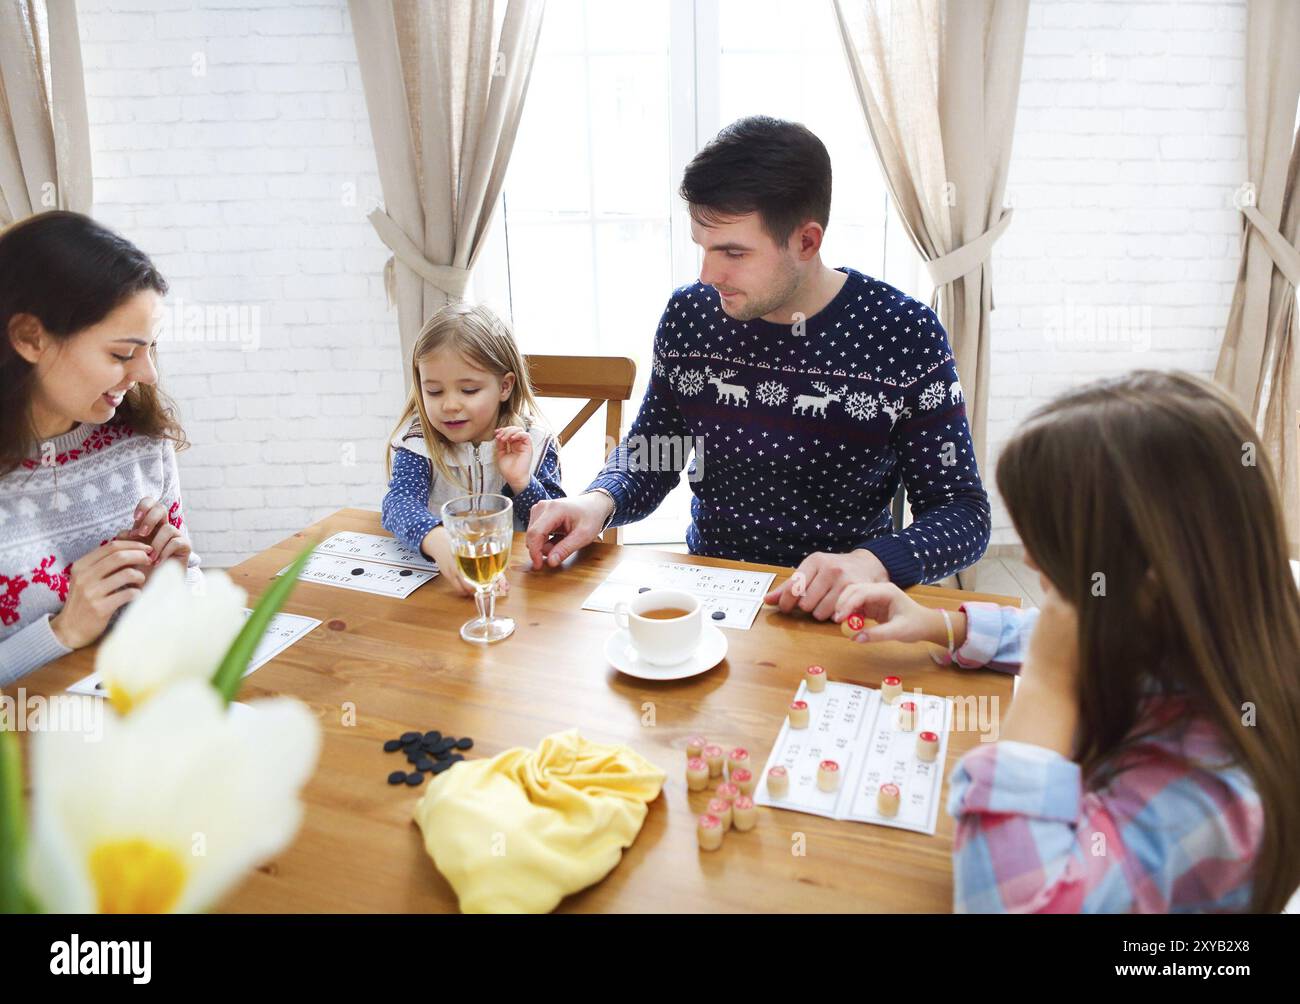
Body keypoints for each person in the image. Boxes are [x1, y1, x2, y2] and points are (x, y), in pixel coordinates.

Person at [835, 371, 1300, 913]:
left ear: (1143, 575)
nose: (1030, 561)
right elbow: (1075, 637)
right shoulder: (1199, 633)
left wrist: (1048, 689)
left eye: (1046, 537)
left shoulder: (1209, 801)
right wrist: (946, 626)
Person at [525, 116, 990, 618]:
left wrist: (872, 562)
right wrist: (596, 502)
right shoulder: (690, 316)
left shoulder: (905, 333)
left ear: (806, 242)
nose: (708, 274)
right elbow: (655, 450)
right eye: (703, 248)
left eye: (733, 252)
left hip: (839, 608)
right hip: (709, 595)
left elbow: (962, 512)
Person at [1, 211, 198, 684]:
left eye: (150, 348)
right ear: (30, 337)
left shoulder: (139, 443)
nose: (147, 374)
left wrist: (168, 591)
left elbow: (192, 588)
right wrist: (64, 631)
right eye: (121, 354)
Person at [381, 301, 564, 595]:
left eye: (469, 390)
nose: (450, 405)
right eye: (434, 391)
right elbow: (398, 503)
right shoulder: (419, 442)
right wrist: (437, 540)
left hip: (519, 589)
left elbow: (556, 530)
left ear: (504, 387)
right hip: (440, 588)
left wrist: (521, 482)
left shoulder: (535, 441)